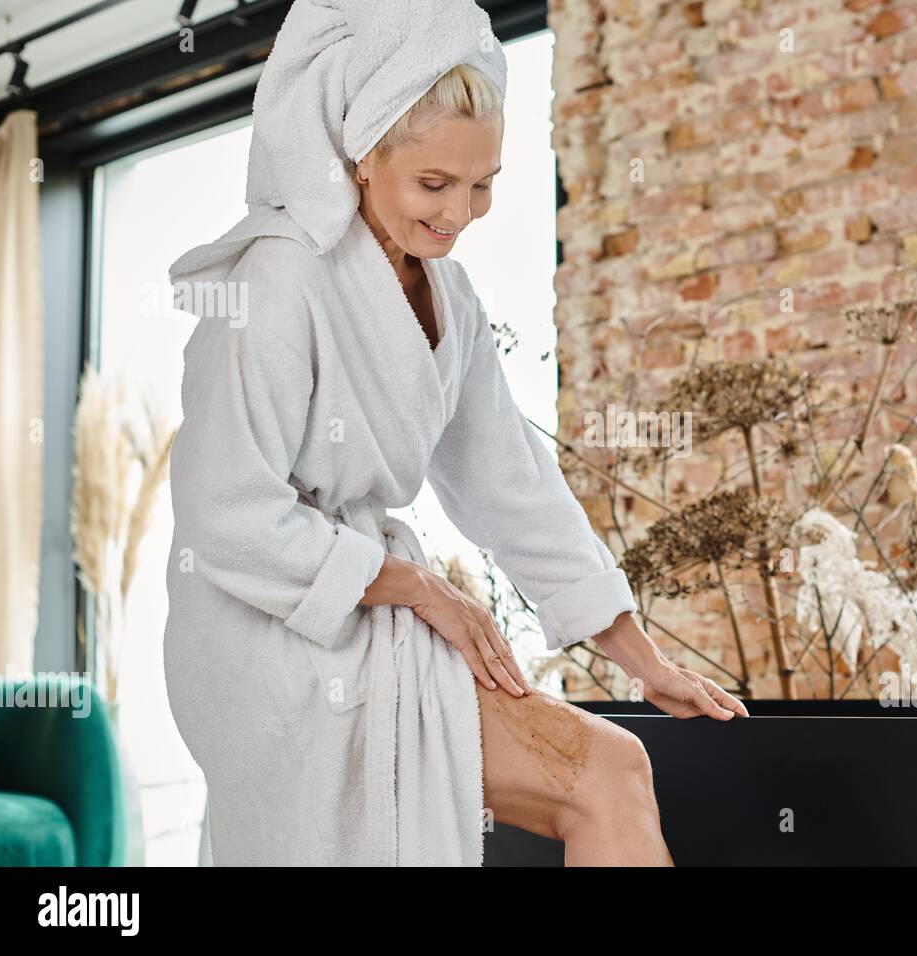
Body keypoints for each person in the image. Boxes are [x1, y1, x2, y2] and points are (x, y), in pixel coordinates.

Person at [163, 0, 746, 868]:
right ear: (363, 158)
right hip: (273, 630)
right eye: (434, 185)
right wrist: (419, 588)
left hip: (375, 610)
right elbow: (224, 514)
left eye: (484, 184)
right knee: (608, 769)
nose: (462, 213)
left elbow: (509, 482)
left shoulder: (452, 297)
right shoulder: (277, 281)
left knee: (614, 769)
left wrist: (638, 655)